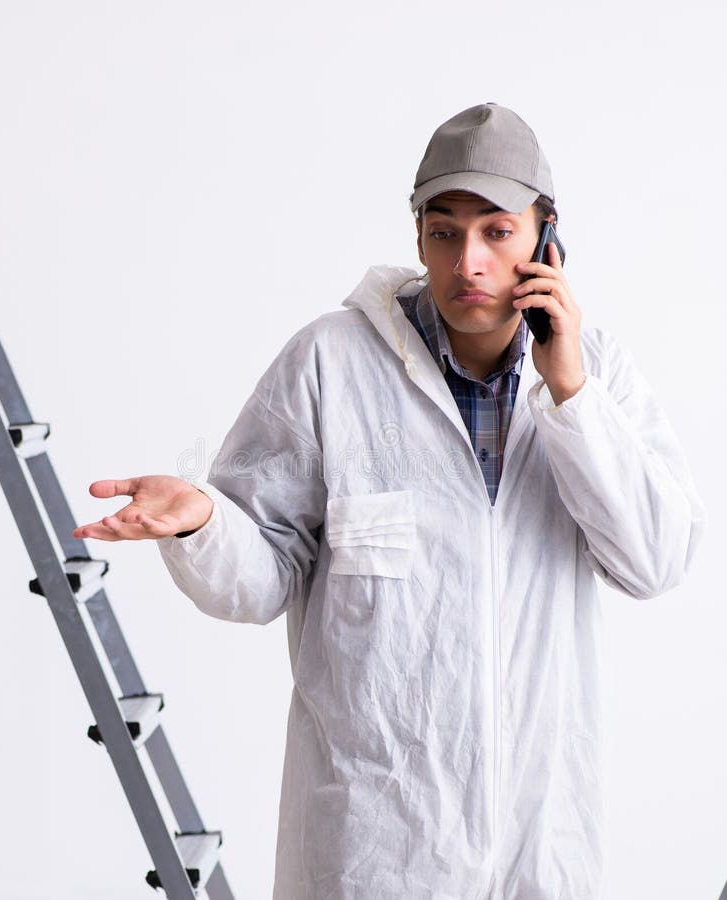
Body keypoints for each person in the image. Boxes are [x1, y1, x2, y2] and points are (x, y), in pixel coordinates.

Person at [73, 102, 705, 899]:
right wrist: (203, 521)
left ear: (547, 237)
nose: (467, 261)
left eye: (497, 231)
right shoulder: (330, 364)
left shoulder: (597, 373)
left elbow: (652, 561)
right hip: (374, 851)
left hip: (538, 847)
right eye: (443, 232)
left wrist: (570, 392)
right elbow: (260, 579)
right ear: (417, 238)